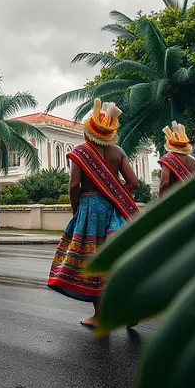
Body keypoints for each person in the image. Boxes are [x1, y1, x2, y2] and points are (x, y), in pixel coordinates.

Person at [48, 99, 140, 328]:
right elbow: (134, 183)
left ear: (89, 131)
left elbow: (73, 186)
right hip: (114, 208)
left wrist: (76, 208)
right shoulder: (118, 152)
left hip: (90, 209)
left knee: (94, 261)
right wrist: (113, 191)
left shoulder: (81, 152)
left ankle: (100, 317)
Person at [157, 121, 195, 199]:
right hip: (188, 198)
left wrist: (160, 199)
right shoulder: (193, 162)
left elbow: (164, 182)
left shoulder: (168, 159)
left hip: (173, 198)